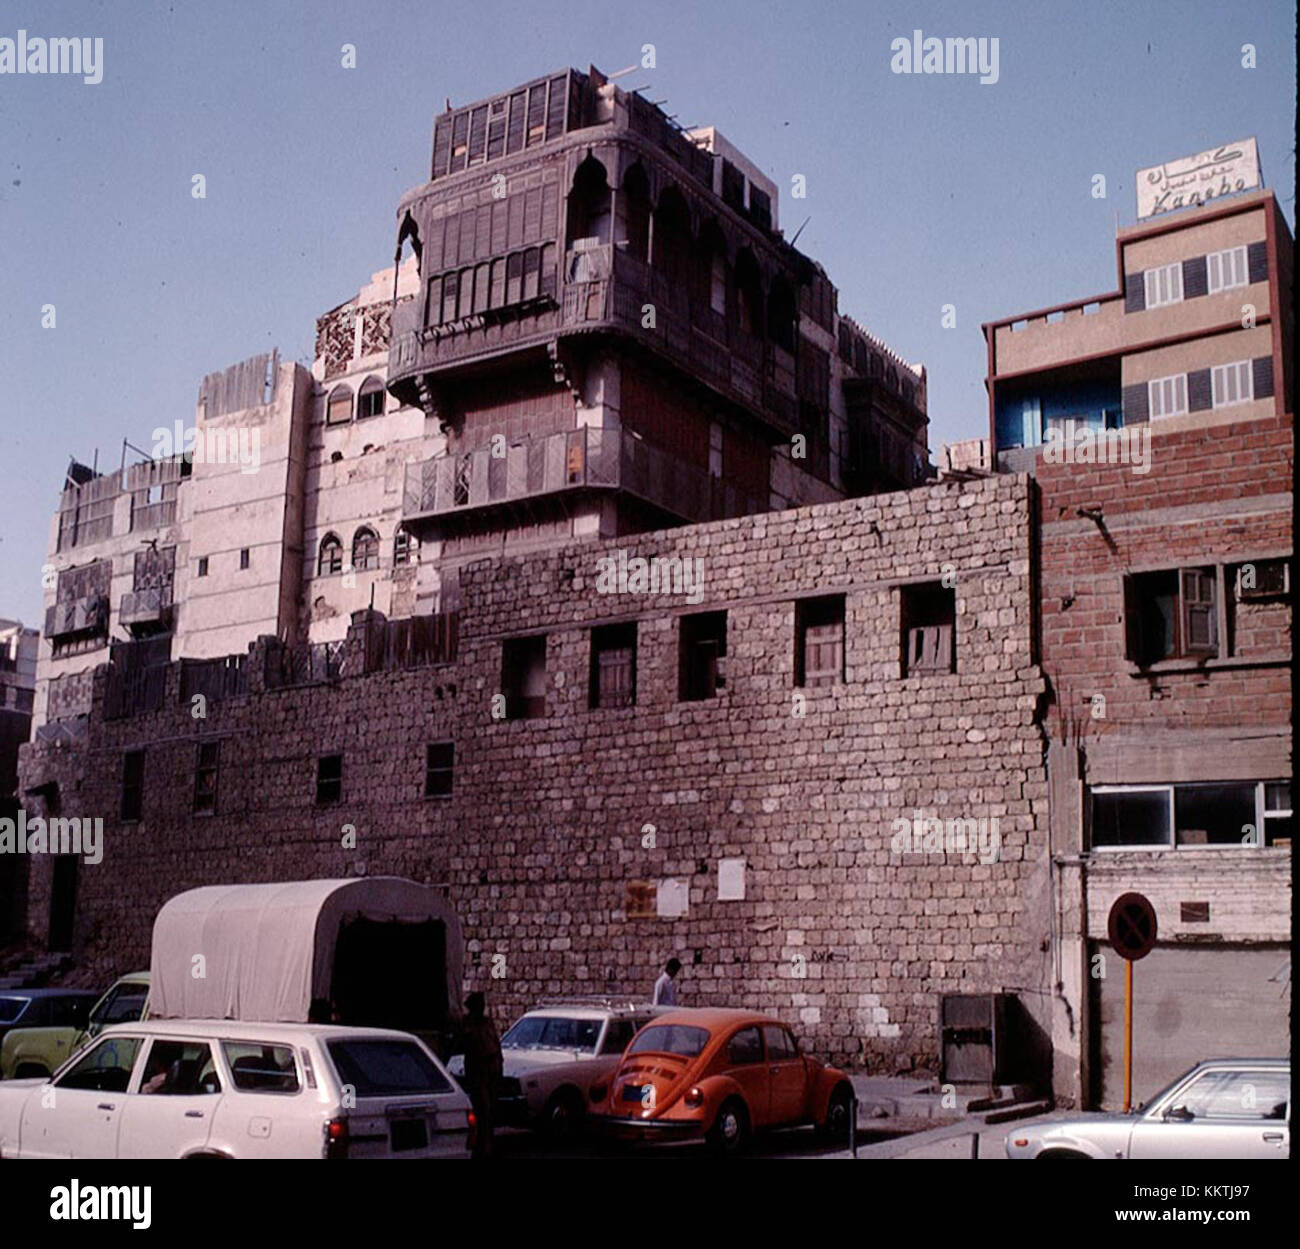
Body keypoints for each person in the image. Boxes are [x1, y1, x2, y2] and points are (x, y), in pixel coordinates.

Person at [460, 991, 502, 1159]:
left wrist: (499, 1065)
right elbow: (468, 1045)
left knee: (490, 1109)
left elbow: (495, 1044)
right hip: (478, 1069)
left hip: (491, 1068)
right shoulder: (468, 1024)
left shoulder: (487, 1023)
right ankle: (481, 1145)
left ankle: (489, 1143)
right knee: (482, 1109)